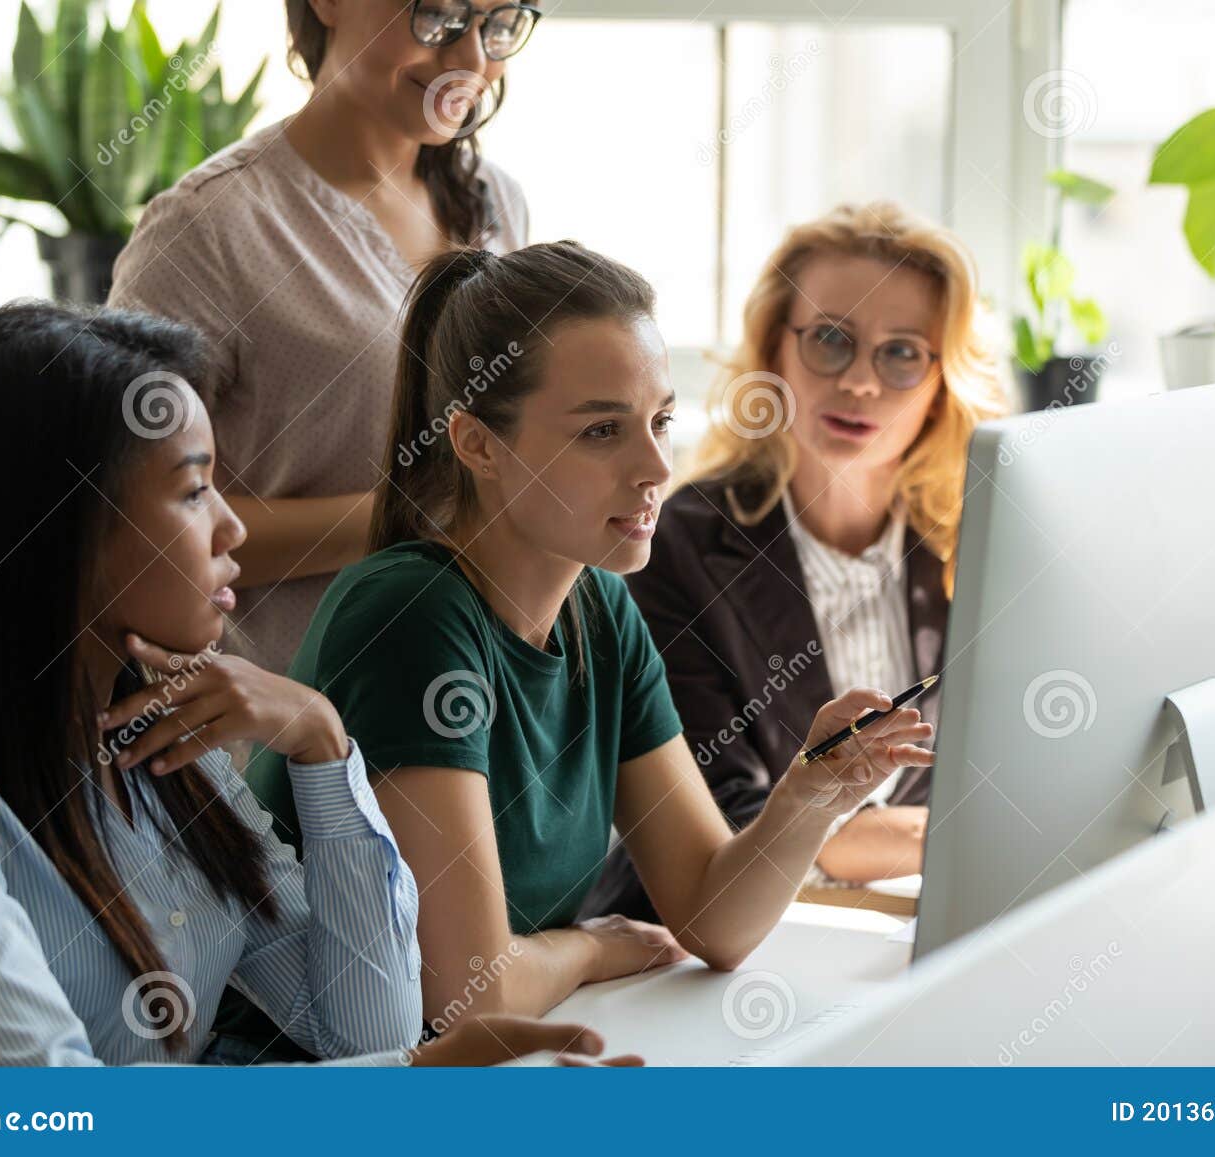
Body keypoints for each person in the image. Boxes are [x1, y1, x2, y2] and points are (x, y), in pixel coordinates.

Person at [0, 302, 628, 1068]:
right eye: (194, 489)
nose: (232, 526)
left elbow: (362, 1025)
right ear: (58, 532)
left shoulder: (164, 738)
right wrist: (405, 1083)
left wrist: (320, 740)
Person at [240, 241, 935, 1041]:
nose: (654, 467)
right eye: (603, 430)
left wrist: (812, 792)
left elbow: (715, 917)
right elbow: (470, 996)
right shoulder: (413, 612)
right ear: (476, 444)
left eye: (661, 421)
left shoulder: (600, 604)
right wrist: (589, 949)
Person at [582, 202, 1009, 920]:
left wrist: (891, 846)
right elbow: (725, 823)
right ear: (775, 349)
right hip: (723, 947)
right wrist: (970, 837)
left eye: (902, 351)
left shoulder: (972, 542)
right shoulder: (676, 545)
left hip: (912, 921)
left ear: (943, 379)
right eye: (831, 339)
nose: (861, 382)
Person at [107, 0, 539, 675]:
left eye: (500, 23)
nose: (471, 62)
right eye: (440, 17)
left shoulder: (496, 203)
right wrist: (416, 516)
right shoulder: (210, 230)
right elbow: (131, 525)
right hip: (288, 724)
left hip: (480, 697)